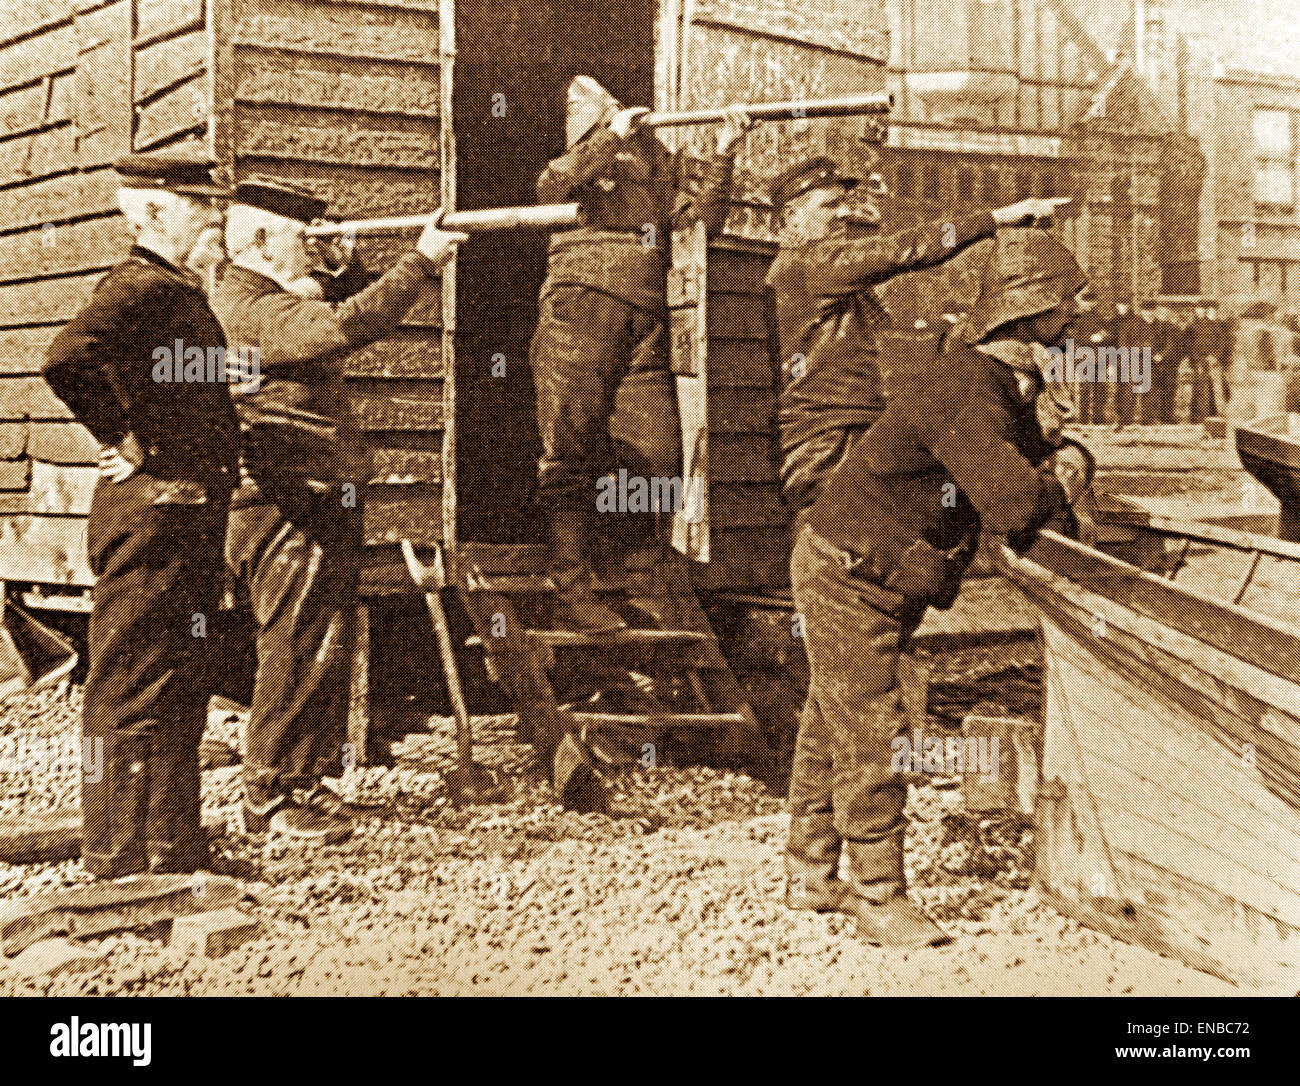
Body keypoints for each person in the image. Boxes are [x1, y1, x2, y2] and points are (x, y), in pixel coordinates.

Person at [783, 228, 1094, 946]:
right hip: (849, 572)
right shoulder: (968, 389)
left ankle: (808, 870)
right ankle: (879, 896)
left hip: (869, 569)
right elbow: (1016, 506)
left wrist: (1044, 436)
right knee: (873, 729)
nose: (1078, 314)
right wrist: (1070, 464)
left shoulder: (994, 383)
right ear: (1032, 310)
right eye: (1067, 302)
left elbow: (1005, 470)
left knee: (831, 718)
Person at [213, 177, 465, 843]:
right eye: (305, 234)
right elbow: (343, 327)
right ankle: (266, 796)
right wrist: (422, 261)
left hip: (317, 496)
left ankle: (304, 781)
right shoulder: (244, 304)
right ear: (262, 239)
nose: (314, 242)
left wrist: (349, 265)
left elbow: (344, 307)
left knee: (323, 645)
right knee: (293, 645)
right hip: (281, 504)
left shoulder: (275, 297)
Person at [42, 152, 238, 879]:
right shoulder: (140, 289)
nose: (215, 218)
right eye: (200, 207)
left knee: (179, 680)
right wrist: (124, 435)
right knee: (126, 684)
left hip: (184, 519)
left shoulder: (177, 291)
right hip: (153, 517)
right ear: (152, 212)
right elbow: (68, 358)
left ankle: (173, 850)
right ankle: (116, 861)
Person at [530, 76, 753, 632]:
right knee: (570, 449)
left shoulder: (655, 161)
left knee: (656, 455)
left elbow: (698, 225)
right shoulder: (576, 167)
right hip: (582, 309)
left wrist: (724, 152)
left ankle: (640, 578)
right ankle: (573, 587)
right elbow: (550, 191)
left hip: (648, 318)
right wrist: (607, 137)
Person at [764, 154, 1069, 518]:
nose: (846, 213)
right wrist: (994, 219)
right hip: (828, 443)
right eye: (830, 205)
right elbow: (903, 251)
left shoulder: (828, 278)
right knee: (848, 544)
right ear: (789, 219)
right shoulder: (804, 266)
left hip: (850, 430)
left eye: (845, 203)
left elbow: (895, 348)